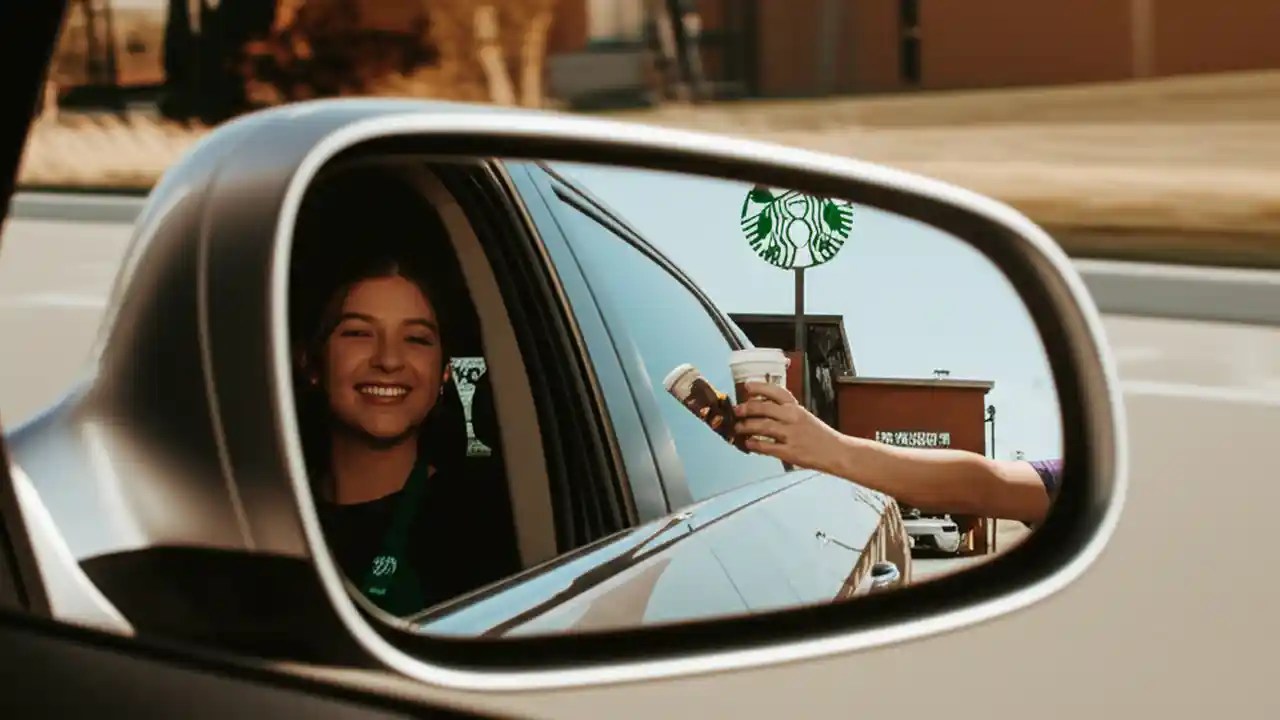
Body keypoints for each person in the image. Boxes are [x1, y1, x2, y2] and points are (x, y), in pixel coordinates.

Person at [293, 249, 521, 617]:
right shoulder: (269, 510)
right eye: (358, 333)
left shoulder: (477, 529)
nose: (388, 360)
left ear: (444, 372)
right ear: (311, 363)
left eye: (416, 339)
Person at [733, 381, 1062, 525]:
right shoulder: (1097, 478)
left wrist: (832, 449)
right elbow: (990, 483)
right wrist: (830, 448)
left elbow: (986, 486)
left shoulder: (1104, 480)